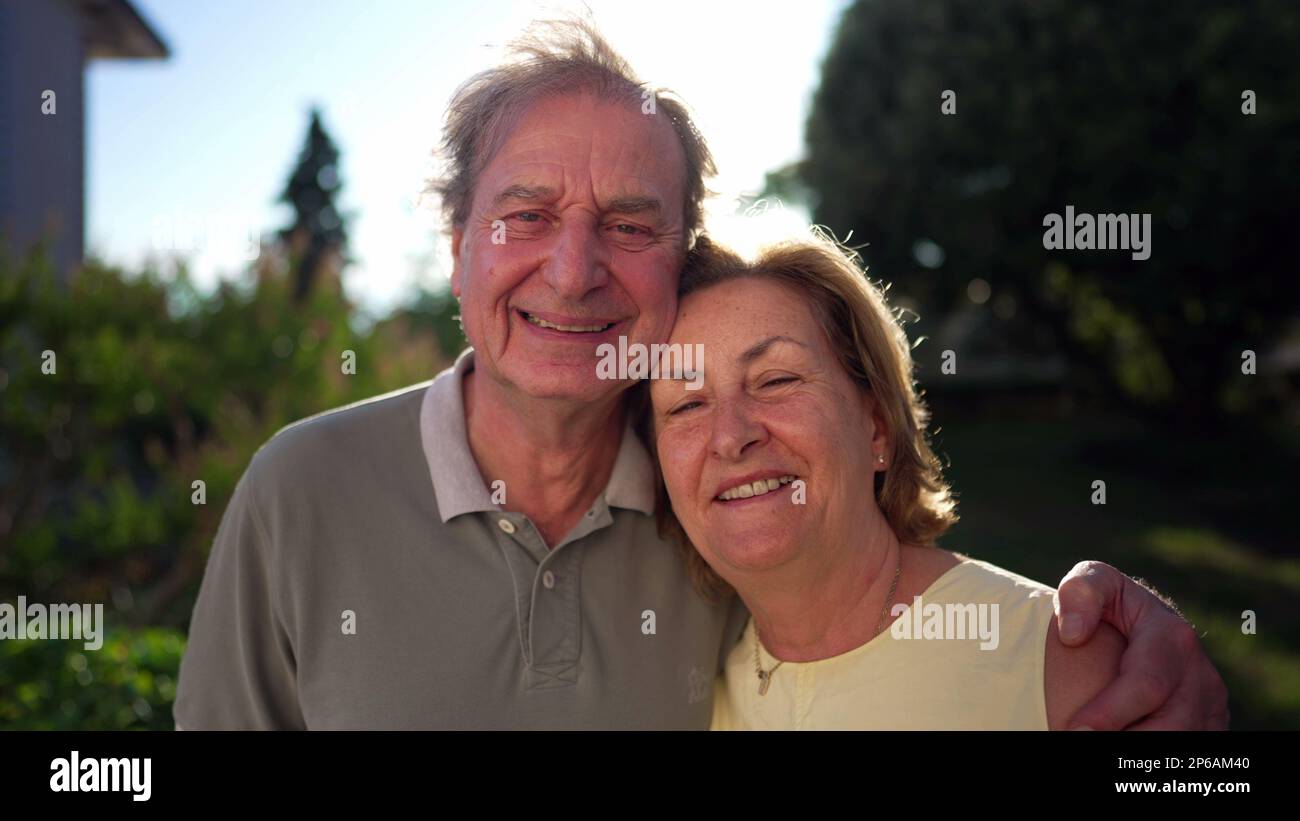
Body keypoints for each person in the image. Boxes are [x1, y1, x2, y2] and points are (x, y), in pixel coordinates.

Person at [174, 19, 1228, 730]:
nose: (574, 269)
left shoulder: (715, 519)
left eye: (630, 224)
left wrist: (1120, 645)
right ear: (457, 249)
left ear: (675, 266)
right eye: (526, 215)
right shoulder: (300, 489)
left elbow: (896, 619)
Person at [647, 234, 1140, 728]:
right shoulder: (686, 697)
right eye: (687, 404)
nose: (731, 437)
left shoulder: (1062, 662)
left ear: (877, 426)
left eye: (776, 380)